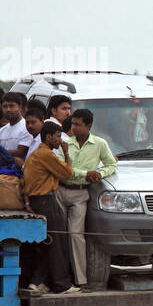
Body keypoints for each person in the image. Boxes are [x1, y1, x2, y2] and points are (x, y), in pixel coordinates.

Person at [58, 108, 117, 288]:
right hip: (60, 190)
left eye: (78, 124)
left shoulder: (99, 144)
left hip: (81, 193)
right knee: (58, 235)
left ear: (89, 126)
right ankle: (60, 278)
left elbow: (112, 164)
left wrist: (99, 174)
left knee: (76, 235)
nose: (74, 128)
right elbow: (62, 168)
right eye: (73, 124)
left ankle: (81, 280)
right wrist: (87, 173)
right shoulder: (65, 143)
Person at [22, 120, 81, 295]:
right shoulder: (47, 155)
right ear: (48, 137)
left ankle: (38, 281)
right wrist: (66, 153)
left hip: (36, 202)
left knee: (45, 244)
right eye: (57, 136)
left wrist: (26, 203)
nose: (60, 140)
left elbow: (24, 181)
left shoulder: (33, 154)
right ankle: (62, 284)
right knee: (57, 243)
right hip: (47, 201)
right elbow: (67, 173)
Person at [0, 92, 31, 161]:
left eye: (11, 106)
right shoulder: (2, 130)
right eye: (5, 106)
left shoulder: (26, 127)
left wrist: (0, 151)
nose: (8, 109)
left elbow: (21, 153)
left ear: (20, 107)